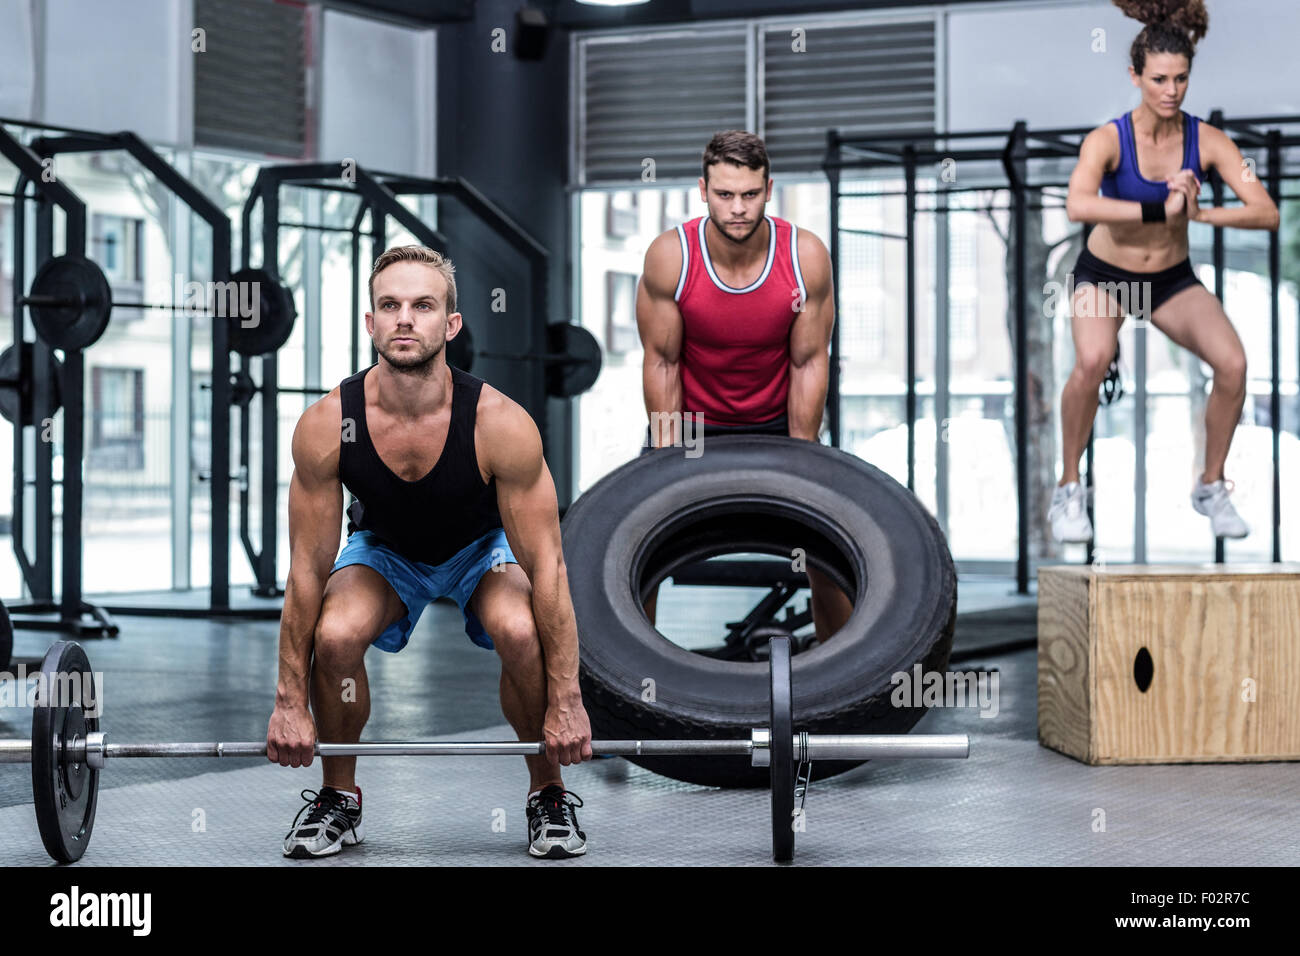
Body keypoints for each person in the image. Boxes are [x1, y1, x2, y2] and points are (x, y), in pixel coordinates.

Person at [265, 245, 593, 860]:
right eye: (389, 306)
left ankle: (547, 792)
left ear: (451, 324)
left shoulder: (500, 422)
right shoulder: (327, 423)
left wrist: (569, 701)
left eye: (423, 305)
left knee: (520, 629)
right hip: (386, 553)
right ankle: (339, 797)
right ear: (370, 323)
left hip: (480, 550)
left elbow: (547, 568)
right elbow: (307, 569)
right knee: (334, 636)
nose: (405, 319)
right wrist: (288, 701)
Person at [1051, 0, 1279, 543]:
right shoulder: (1107, 140)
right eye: (1158, 79)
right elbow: (1078, 205)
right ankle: (1067, 488)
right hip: (1104, 274)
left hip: (1169, 281)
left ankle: (1210, 485)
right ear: (1135, 76)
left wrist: (1201, 213)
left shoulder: (1209, 142)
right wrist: (1160, 209)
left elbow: (1266, 210)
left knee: (1233, 363)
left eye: (1180, 78)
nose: (1170, 90)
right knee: (1092, 358)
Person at [637, 130, 853, 644]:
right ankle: (630, 678)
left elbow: (807, 363)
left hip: (779, 422)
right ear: (703, 190)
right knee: (637, 546)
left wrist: (803, 461)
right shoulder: (672, 256)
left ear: (769, 188)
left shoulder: (804, 257)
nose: (737, 208)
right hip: (691, 424)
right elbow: (663, 363)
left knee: (829, 550)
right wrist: (667, 465)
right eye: (725, 194)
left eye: (750, 195)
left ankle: (843, 677)